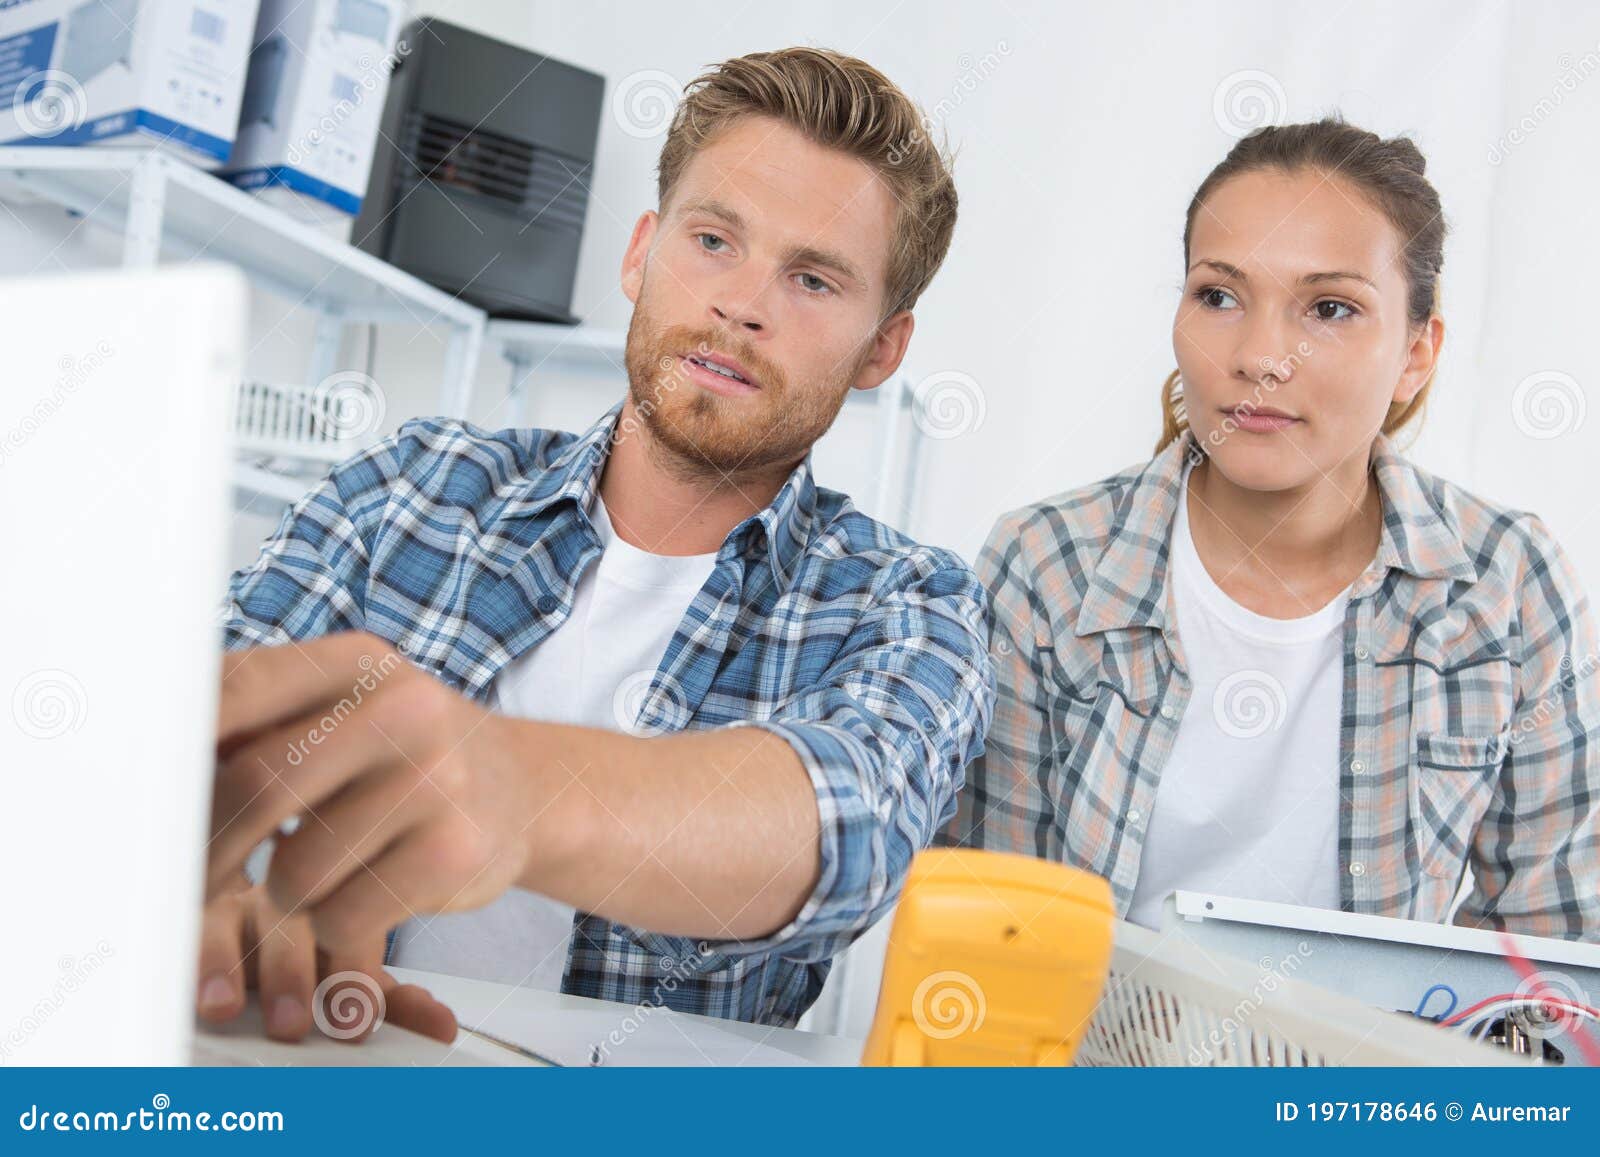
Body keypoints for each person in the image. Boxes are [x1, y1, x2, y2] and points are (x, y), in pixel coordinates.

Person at [203, 47, 991, 1042]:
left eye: (812, 278)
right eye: (713, 240)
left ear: (882, 347)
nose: (741, 303)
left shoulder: (907, 605)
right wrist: (192, 879)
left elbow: (847, 824)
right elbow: (198, 729)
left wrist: (502, 781)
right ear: (641, 254)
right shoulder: (410, 490)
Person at [951, 118, 1598, 939]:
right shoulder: (1043, 564)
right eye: (1219, 295)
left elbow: (1553, 958)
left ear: (1416, 353)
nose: (1261, 355)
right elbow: (989, 938)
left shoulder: (1509, 580)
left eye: (1329, 308)